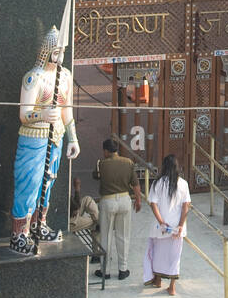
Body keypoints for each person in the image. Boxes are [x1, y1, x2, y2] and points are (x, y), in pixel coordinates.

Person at [10, 25, 80, 257]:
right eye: (57, 51)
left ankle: (39, 224)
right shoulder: (33, 77)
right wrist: (41, 114)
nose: (60, 57)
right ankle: (19, 234)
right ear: (47, 50)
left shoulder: (66, 76)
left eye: (63, 52)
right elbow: (24, 114)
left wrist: (73, 139)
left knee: (48, 182)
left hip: (57, 136)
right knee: (28, 184)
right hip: (34, 138)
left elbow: (66, 111)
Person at [92, 136, 142, 280]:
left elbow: (95, 176)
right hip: (125, 200)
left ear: (106, 151)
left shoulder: (101, 163)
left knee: (106, 236)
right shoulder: (128, 162)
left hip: (107, 201)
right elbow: (136, 184)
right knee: (123, 236)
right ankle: (123, 269)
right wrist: (138, 200)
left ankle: (105, 271)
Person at [143, 155, 190, 296]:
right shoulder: (183, 184)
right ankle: (172, 287)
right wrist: (181, 226)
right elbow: (185, 207)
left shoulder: (157, 183)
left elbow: (153, 204)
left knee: (156, 253)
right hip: (176, 228)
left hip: (161, 227)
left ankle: (157, 280)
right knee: (174, 257)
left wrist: (161, 222)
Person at [69, 178, 101, 264]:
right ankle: (96, 254)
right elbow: (76, 207)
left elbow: (75, 205)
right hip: (68, 221)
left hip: (71, 213)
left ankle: (99, 222)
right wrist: (77, 189)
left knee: (88, 199)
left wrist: (76, 189)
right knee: (95, 224)